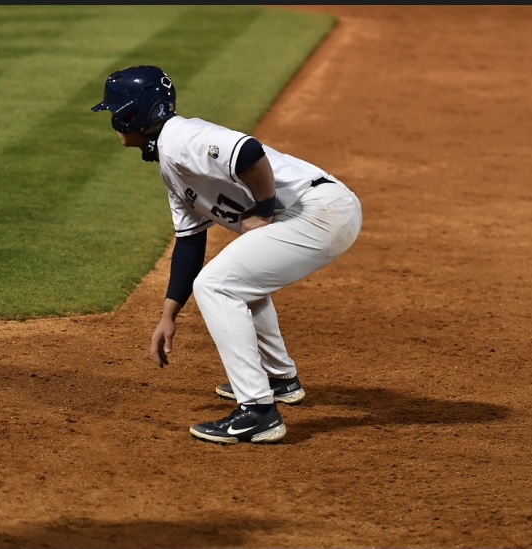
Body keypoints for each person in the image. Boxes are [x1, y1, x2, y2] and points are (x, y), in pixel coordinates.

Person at [91, 65, 363, 444]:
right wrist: (169, 315)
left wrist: (265, 210)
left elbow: (249, 152)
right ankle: (279, 379)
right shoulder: (172, 166)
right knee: (237, 280)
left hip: (318, 212)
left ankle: (258, 412)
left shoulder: (181, 138)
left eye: (114, 111)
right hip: (319, 211)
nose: (113, 121)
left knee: (217, 286)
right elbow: (190, 242)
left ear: (131, 114)